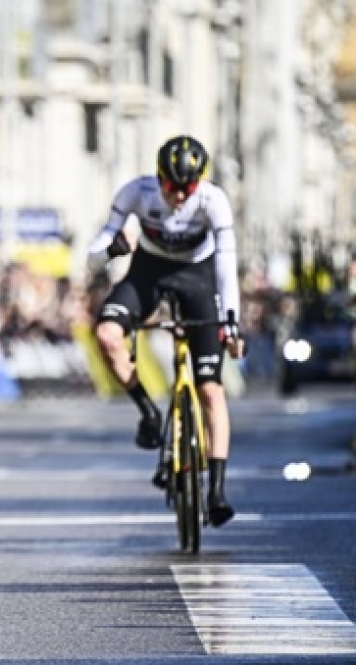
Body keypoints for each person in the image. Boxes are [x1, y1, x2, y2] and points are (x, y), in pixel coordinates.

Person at [87, 135, 245, 528]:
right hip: (148, 272)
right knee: (107, 334)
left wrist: (231, 322)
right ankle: (148, 413)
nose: (179, 195)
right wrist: (112, 249)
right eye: (172, 185)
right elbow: (94, 251)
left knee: (210, 389)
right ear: (158, 178)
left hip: (198, 277)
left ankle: (217, 489)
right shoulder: (137, 193)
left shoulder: (213, 201)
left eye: (187, 187)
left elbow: (226, 267)